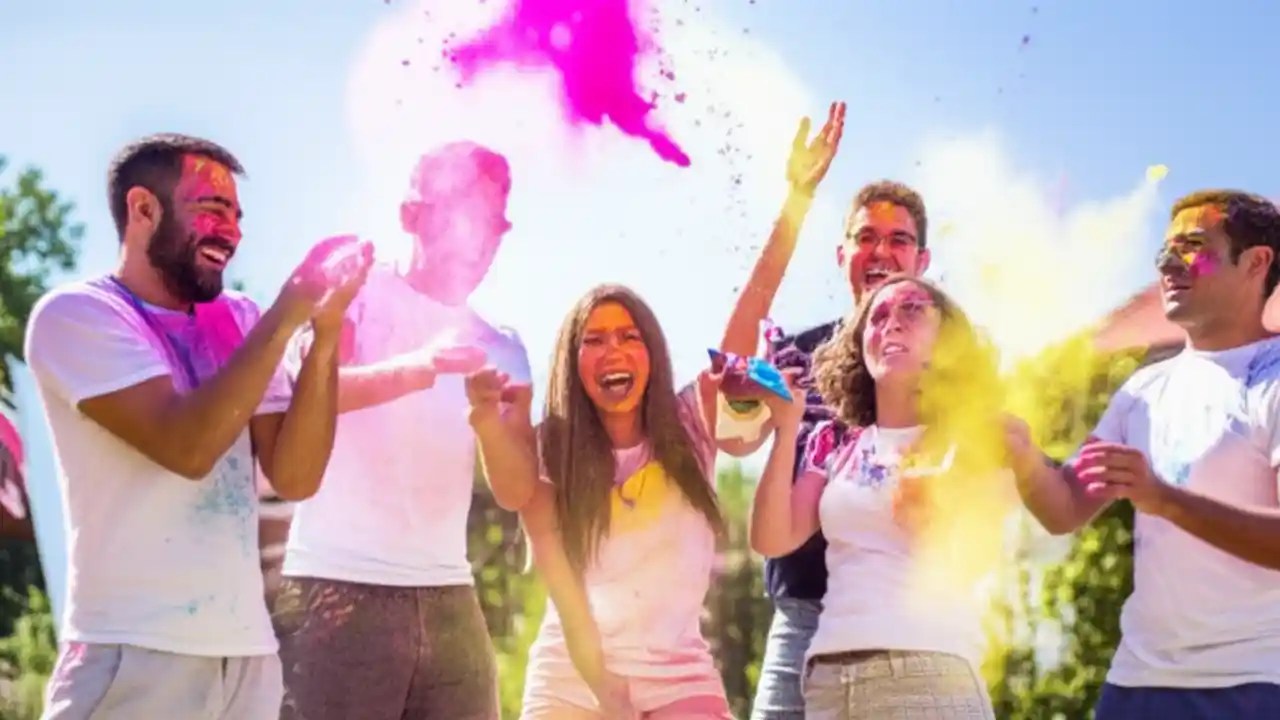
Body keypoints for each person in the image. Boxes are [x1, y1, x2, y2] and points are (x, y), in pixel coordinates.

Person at [26, 133, 371, 720]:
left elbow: (295, 474)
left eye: (237, 216)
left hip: (247, 656)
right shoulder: (75, 316)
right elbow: (187, 448)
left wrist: (327, 333)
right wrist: (290, 308)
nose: (232, 231)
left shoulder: (239, 318)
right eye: (212, 209)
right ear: (143, 209)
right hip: (132, 653)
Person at [271, 141, 529, 720]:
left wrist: (488, 422)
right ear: (410, 216)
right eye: (462, 212)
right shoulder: (352, 298)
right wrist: (419, 369)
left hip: (450, 602)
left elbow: (516, 491)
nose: (478, 237)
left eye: (493, 222)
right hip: (334, 587)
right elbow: (304, 401)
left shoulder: (505, 345)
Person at [1010, 190, 1280, 719]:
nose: (1167, 264)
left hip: (1254, 684)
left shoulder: (1272, 374)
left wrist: (1163, 499)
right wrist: (1022, 455)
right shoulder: (1143, 389)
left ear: (1256, 262)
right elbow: (1064, 507)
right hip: (1136, 686)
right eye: (1164, 251)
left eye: (1193, 246)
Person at [468, 272, 785, 718]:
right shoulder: (552, 450)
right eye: (594, 340)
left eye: (628, 336)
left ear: (652, 354)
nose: (613, 349)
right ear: (572, 363)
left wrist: (795, 206)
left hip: (679, 678)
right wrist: (488, 420)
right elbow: (514, 493)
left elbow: (739, 343)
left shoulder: (691, 424)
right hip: (570, 677)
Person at [722, 102, 942, 719]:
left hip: (913, 623)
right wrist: (795, 204)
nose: (881, 252)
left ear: (922, 262)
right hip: (805, 621)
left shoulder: (952, 368)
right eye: (865, 238)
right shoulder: (796, 354)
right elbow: (731, 397)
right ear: (841, 255)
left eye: (899, 240)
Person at [751, 275, 1008, 719]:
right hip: (829, 682)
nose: (891, 324)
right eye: (878, 317)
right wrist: (787, 425)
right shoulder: (834, 442)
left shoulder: (968, 440)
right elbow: (772, 538)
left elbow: (980, 558)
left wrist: (935, 516)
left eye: (912, 310)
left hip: (926, 676)